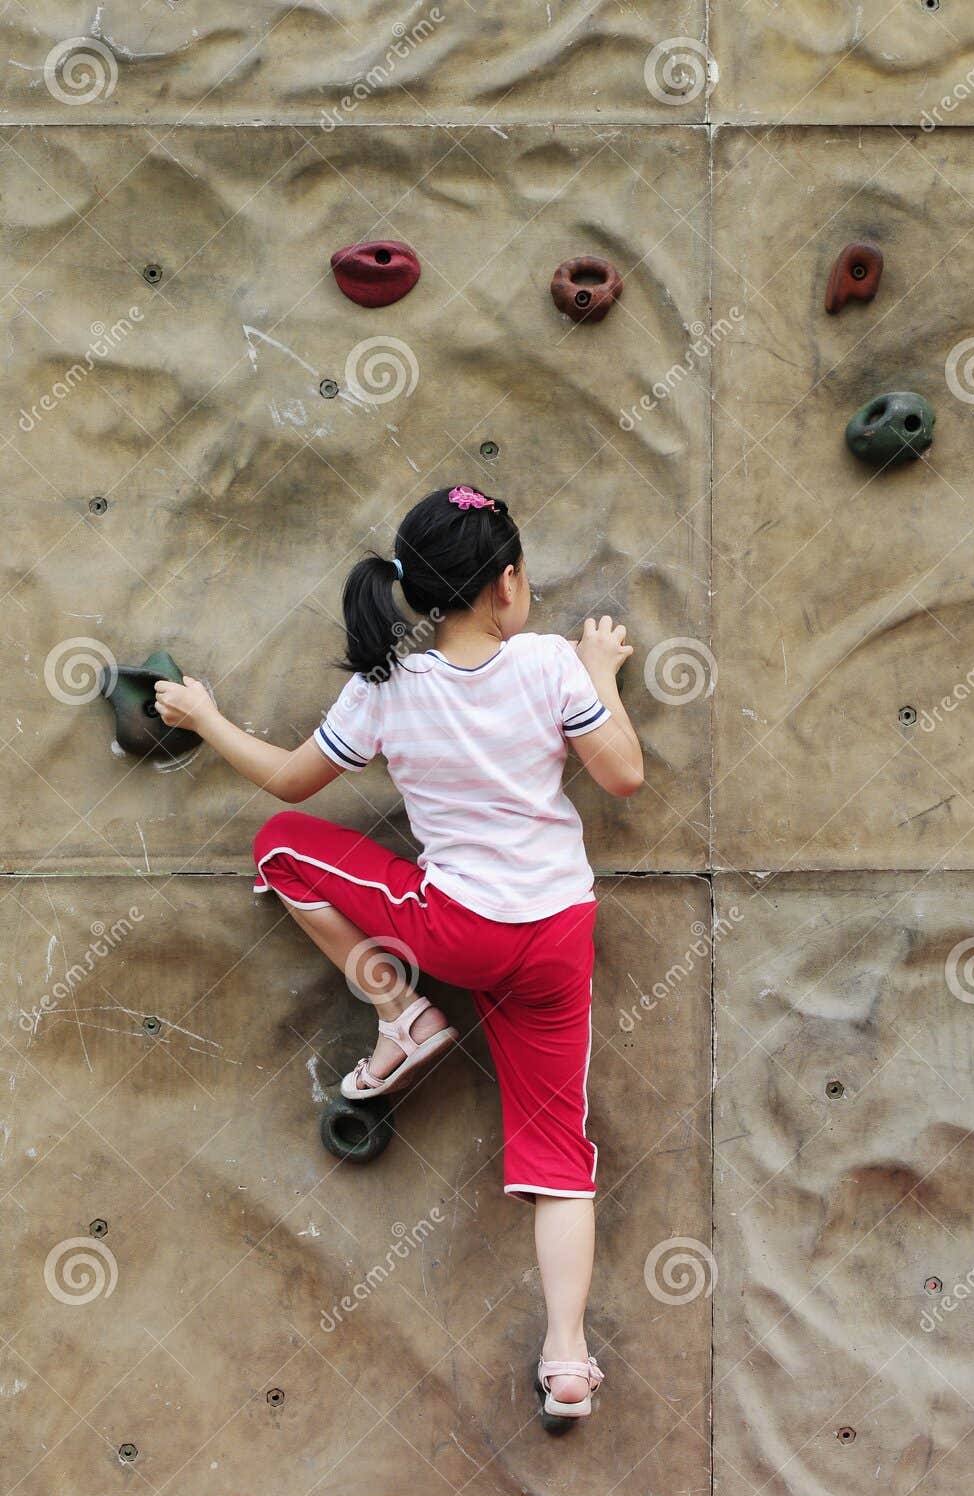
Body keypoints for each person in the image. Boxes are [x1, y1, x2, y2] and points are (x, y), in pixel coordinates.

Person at [154, 485, 644, 1424]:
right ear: (507, 586)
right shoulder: (548, 665)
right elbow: (620, 775)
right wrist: (603, 673)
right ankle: (569, 1362)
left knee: (281, 848)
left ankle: (401, 1013)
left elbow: (292, 781)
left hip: (453, 934)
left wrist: (205, 718)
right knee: (558, 1158)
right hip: (553, 942)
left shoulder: (384, 687)